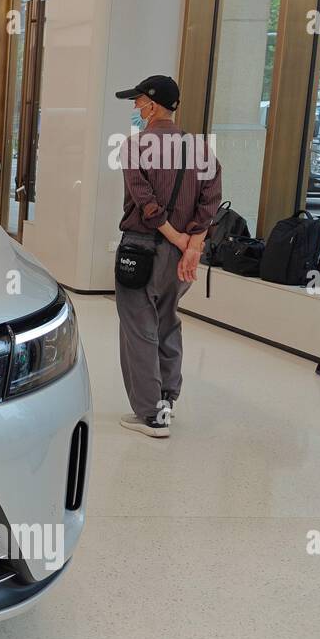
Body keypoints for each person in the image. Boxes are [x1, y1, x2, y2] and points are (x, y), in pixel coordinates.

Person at [112, 74, 222, 438]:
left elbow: (147, 205)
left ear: (153, 105)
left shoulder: (135, 147)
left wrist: (178, 239)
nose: (135, 108)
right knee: (167, 322)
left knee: (138, 328)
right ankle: (166, 401)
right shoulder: (203, 150)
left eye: (138, 101)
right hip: (179, 259)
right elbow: (210, 201)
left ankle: (150, 416)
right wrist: (192, 245)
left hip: (141, 250)